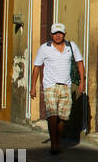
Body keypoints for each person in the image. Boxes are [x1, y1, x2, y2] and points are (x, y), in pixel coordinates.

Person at [29, 22, 85, 155]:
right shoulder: (44, 48)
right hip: (50, 86)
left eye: (60, 33)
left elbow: (80, 63)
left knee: (62, 117)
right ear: (51, 35)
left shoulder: (71, 47)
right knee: (52, 115)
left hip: (66, 86)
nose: (57, 36)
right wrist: (33, 87)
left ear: (64, 34)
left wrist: (82, 82)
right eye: (55, 33)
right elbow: (37, 67)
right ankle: (54, 144)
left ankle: (57, 141)